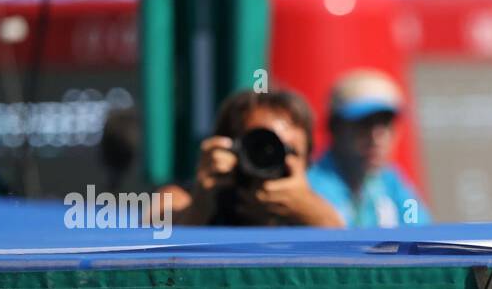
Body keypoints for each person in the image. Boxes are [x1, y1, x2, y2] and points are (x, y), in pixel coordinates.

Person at [176, 88, 343, 227]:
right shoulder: (181, 199)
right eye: (261, 147)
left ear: (307, 162)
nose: (274, 159)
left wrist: (310, 211)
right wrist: (201, 204)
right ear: (228, 147)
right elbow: (163, 240)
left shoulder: (319, 210)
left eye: (289, 150)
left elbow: (343, 246)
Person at [306, 69, 430, 229]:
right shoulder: (310, 185)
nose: (376, 138)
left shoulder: (391, 180)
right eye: (364, 123)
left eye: (385, 123)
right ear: (335, 128)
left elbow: (422, 232)